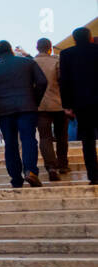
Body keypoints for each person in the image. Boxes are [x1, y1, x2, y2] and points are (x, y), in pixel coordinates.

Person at [0, 39, 47, 189]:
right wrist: (34, 100)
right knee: (28, 139)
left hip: (4, 110)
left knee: (10, 144)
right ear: (11, 49)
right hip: (27, 107)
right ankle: (31, 170)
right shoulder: (27, 63)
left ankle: (16, 179)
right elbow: (42, 82)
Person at [58, 26, 98, 185]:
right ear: (90, 37)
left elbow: (65, 82)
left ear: (74, 39)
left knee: (87, 141)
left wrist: (67, 105)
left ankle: (94, 176)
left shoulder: (67, 54)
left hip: (81, 103)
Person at [34, 38, 69, 181]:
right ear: (49, 48)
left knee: (45, 137)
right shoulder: (57, 61)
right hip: (59, 103)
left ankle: (51, 166)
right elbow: (63, 81)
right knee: (62, 136)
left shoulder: (31, 63)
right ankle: (62, 164)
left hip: (40, 105)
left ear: (37, 48)